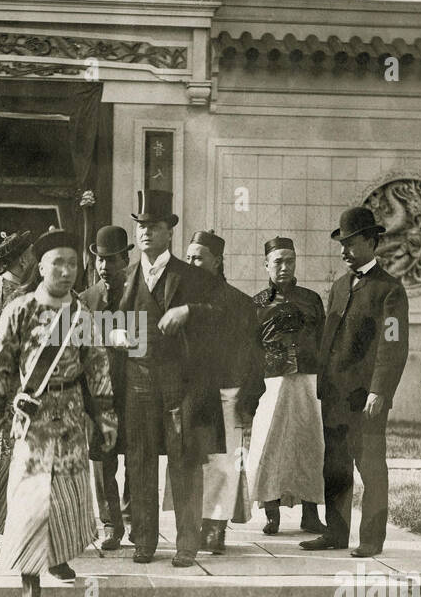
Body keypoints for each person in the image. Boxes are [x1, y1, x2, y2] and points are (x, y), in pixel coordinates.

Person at [0, 230, 117, 597]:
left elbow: (97, 367)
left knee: (66, 491)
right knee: (30, 495)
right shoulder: (19, 309)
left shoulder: (82, 314)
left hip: (72, 412)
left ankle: (58, 557)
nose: (65, 270)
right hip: (33, 415)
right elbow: (2, 365)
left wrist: (106, 416)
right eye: (57, 263)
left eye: (72, 263)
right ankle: (29, 575)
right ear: (40, 266)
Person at [114, 190, 223, 568]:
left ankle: (187, 544)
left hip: (180, 380)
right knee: (139, 460)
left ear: (168, 232)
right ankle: (144, 540)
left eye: (154, 226)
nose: (145, 232)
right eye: (141, 225)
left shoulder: (190, 276)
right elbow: (110, 326)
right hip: (138, 378)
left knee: (183, 459)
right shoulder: (126, 276)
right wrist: (118, 335)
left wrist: (189, 310)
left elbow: (225, 313)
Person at [303, 206, 409, 558]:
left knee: (371, 469)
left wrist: (380, 391)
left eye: (351, 243)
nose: (345, 251)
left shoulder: (389, 291)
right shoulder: (339, 286)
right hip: (334, 396)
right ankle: (335, 533)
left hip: (365, 399)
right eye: (341, 244)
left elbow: (393, 347)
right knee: (334, 467)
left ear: (372, 242)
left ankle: (371, 539)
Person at [183, 230, 264, 554]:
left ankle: (216, 529)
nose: (192, 263)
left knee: (223, 464)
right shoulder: (179, 300)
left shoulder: (239, 303)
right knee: (193, 462)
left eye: (199, 257)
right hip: (191, 393)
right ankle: (191, 525)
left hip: (226, 393)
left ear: (217, 261)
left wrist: (249, 397)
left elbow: (256, 357)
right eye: (188, 257)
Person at [247, 237, 328, 537]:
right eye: (277, 261)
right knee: (270, 444)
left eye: (289, 260)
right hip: (272, 382)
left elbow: (322, 340)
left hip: (308, 380)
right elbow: (250, 348)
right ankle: (272, 513)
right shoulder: (256, 303)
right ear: (266, 264)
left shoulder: (311, 299)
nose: (284, 267)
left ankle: (311, 513)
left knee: (310, 444)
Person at [79, 225, 134, 549]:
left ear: (125, 259)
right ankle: (111, 523)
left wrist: (127, 340)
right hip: (98, 396)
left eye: (111, 260)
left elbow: (146, 342)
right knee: (102, 461)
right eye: (99, 260)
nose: (104, 266)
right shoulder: (86, 299)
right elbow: (80, 347)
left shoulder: (140, 293)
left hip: (134, 390)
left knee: (136, 459)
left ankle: (133, 517)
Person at [0, 229, 37, 533]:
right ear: (22, 259)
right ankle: (1, 518)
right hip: (5, 378)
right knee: (3, 448)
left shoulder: (35, 291)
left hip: (32, 381)